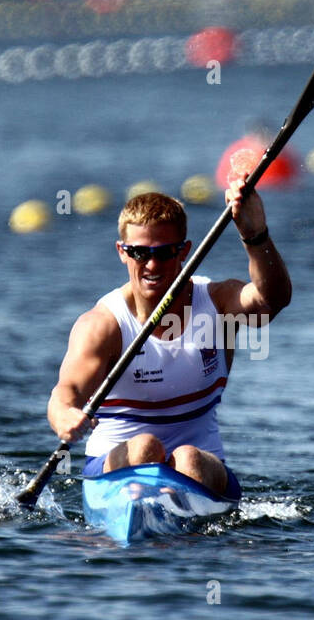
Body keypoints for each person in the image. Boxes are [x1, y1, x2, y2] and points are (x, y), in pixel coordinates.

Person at [46, 174, 291, 497]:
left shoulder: (216, 302)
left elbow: (271, 299)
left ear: (184, 251)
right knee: (146, 447)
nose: (151, 264)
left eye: (164, 252)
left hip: (203, 468)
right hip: (113, 467)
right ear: (122, 251)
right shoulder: (103, 325)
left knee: (188, 457)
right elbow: (66, 392)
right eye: (139, 253)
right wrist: (66, 417)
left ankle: (179, 522)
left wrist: (255, 235)